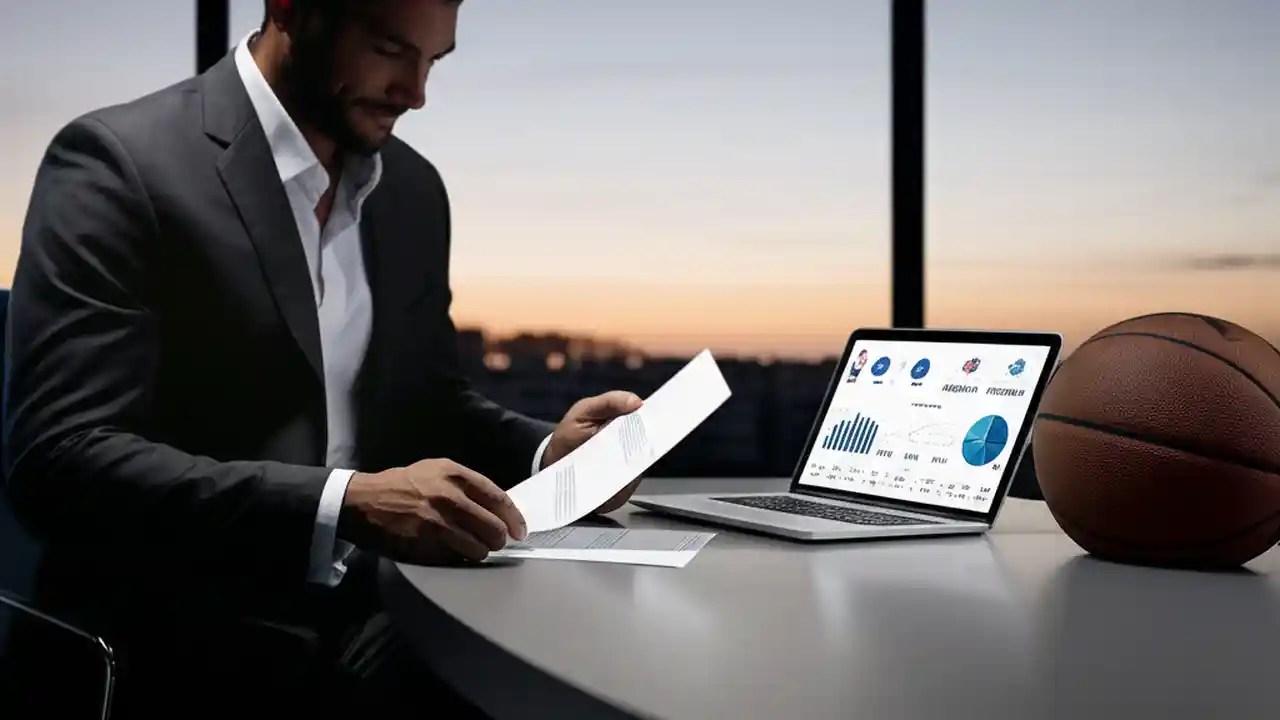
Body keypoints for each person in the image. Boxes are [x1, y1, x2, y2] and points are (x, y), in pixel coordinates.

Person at [2, 0, 644, 716]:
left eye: (434, 60)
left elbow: (428, 399)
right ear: (291, 10)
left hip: (377, 612)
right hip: (174, 639)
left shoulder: (411, 189)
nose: (417, 92)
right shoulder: (118, 164)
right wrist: (345, 507)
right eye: (390, 49)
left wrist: (547, 452)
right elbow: (59, 460)